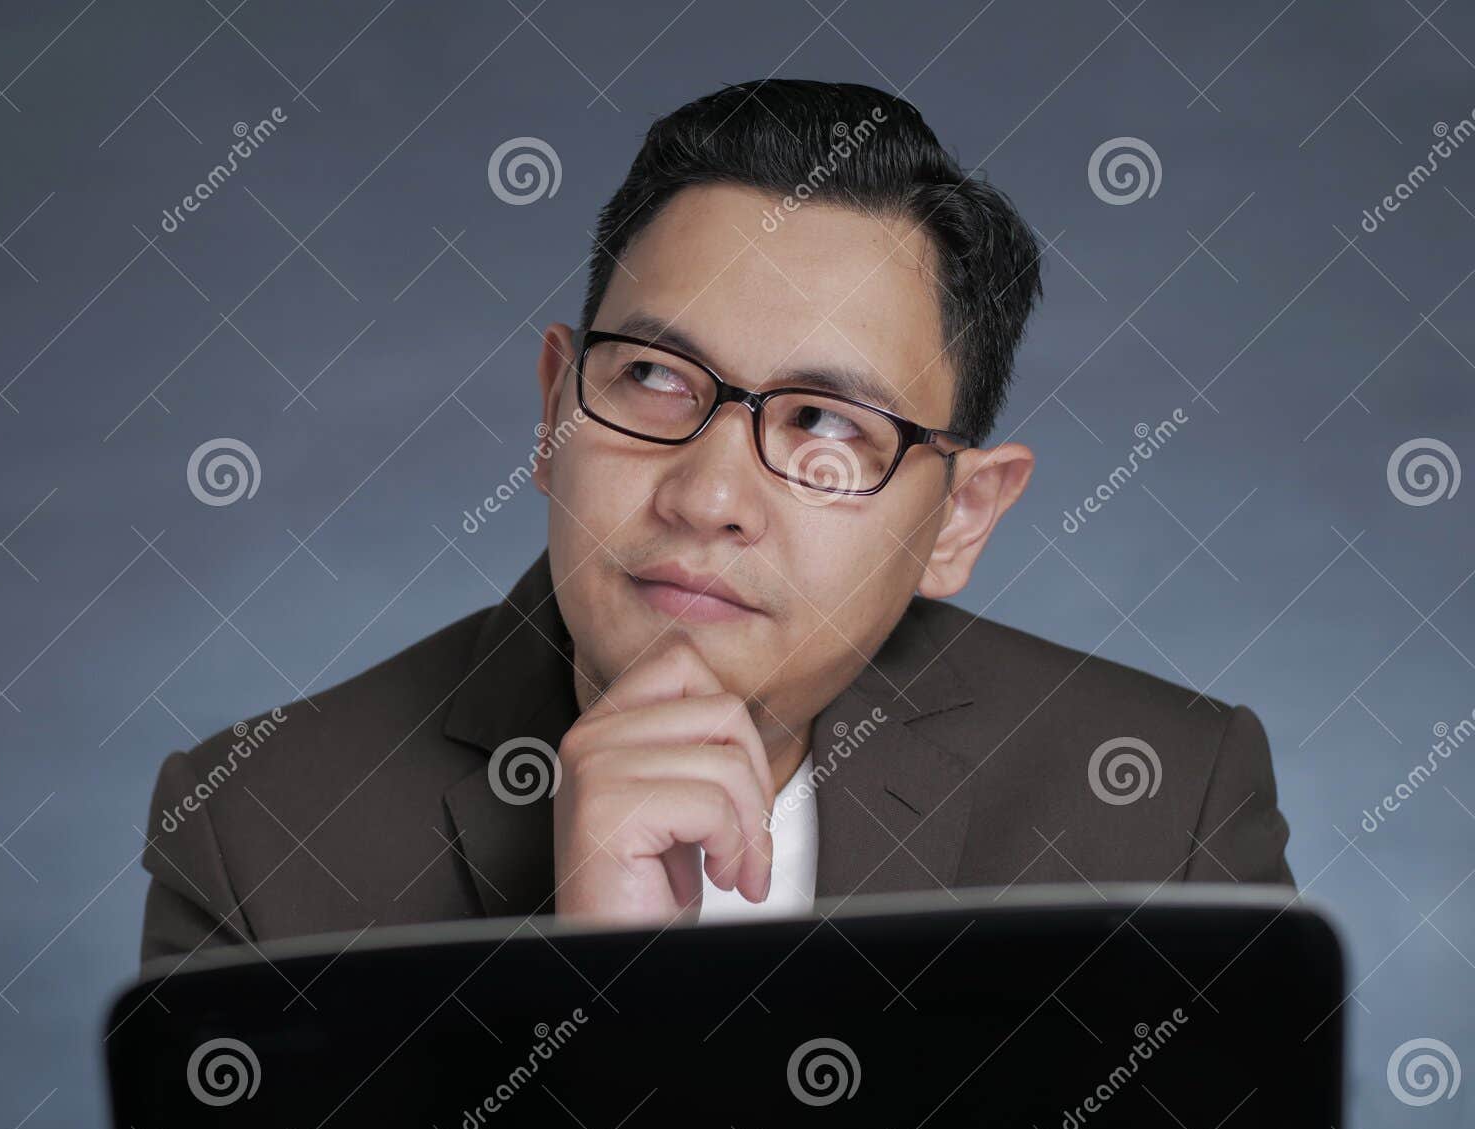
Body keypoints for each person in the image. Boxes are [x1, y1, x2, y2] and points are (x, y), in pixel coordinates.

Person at [139, 78, 1292, 965]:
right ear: (553, 414)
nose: (707, 496)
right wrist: (598, 995)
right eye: (651, 377)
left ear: (958, 517)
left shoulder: (1157, 813)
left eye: (827, 426)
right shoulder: (259, 832)